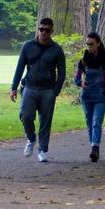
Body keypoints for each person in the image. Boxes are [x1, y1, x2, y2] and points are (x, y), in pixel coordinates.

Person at [10, 16, 67, 162]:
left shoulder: (56, 50)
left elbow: (62, 73)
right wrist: (14, 88)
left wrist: (55, 91)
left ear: (51, 31)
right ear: (38, 29)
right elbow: (20, 67)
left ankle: (42, 150)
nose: (44, 33)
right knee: (25, 115)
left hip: (48, 90)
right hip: (29, 87)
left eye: (47, 30)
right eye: (41, 29)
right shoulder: (27, 46)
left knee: (45, 121)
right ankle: (31, 139)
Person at [74, 32, 105, 161]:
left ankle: (95, 148)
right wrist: (80, 83)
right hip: (86, 96)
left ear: (98, 43)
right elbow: (76, 78)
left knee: (96, 122)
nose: (89, 47)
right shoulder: (84, 59)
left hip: (100, 97)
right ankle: (93, 145)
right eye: (87, 44)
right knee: (89, 122)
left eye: (91, 44)